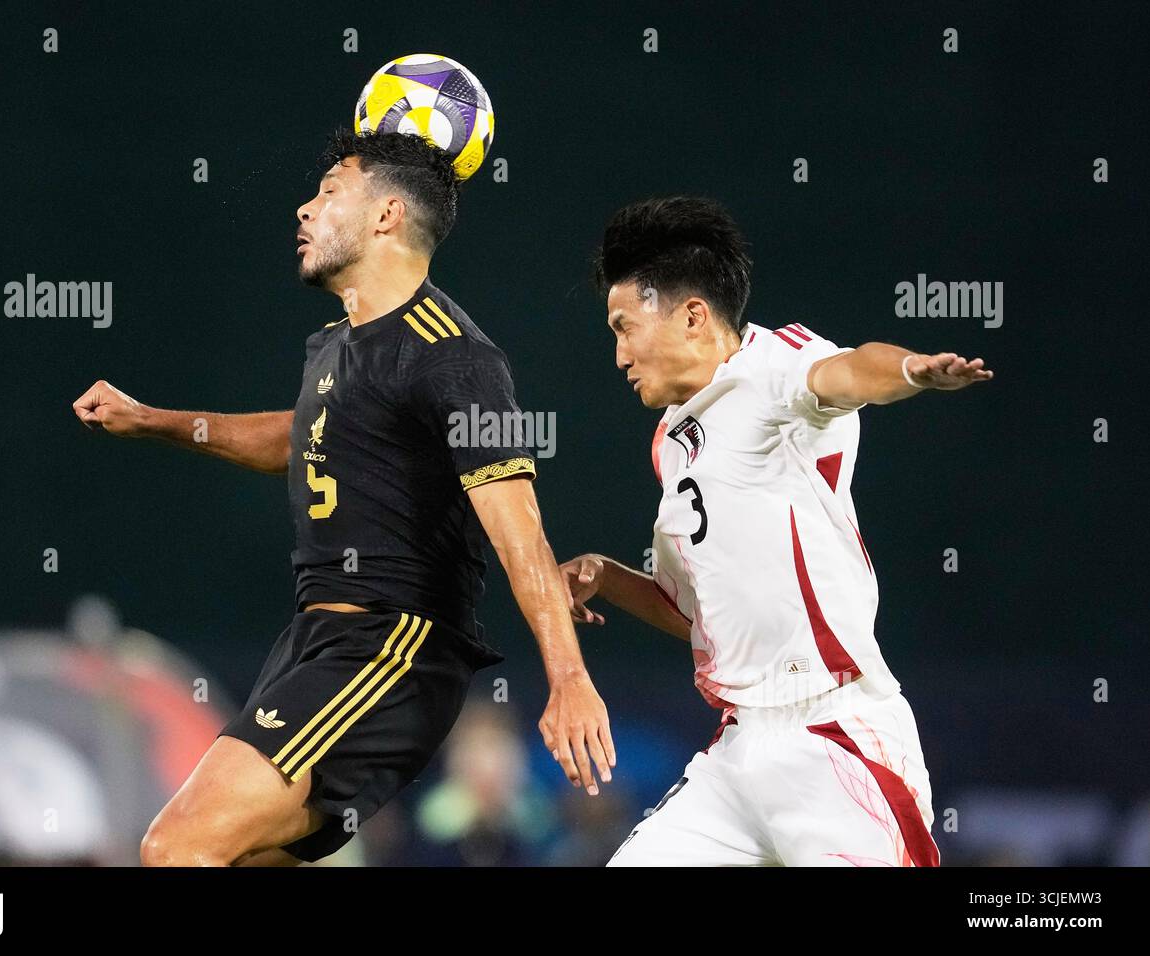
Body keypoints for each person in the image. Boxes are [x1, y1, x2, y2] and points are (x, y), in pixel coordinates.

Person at [72, 129, 614, 866]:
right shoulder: (339, 342)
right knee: (238, 859)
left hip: (391, 648)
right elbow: (304, 440)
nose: (304, 208)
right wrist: (155, 420)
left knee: (177, 847)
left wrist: (569, 679)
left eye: (328, 192)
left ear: (387, 215)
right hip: (315, 646)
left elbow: (519, 529)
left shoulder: (454, 353)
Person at [562, 196, 992, 866]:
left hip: (835, 734)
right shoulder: (672, 442)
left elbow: (850, 370)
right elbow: (698, 615)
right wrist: (607, 576)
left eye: (624, 327)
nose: (618, 353)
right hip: (736, 755)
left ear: (693, 315)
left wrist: (913, 371)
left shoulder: (774, 366)